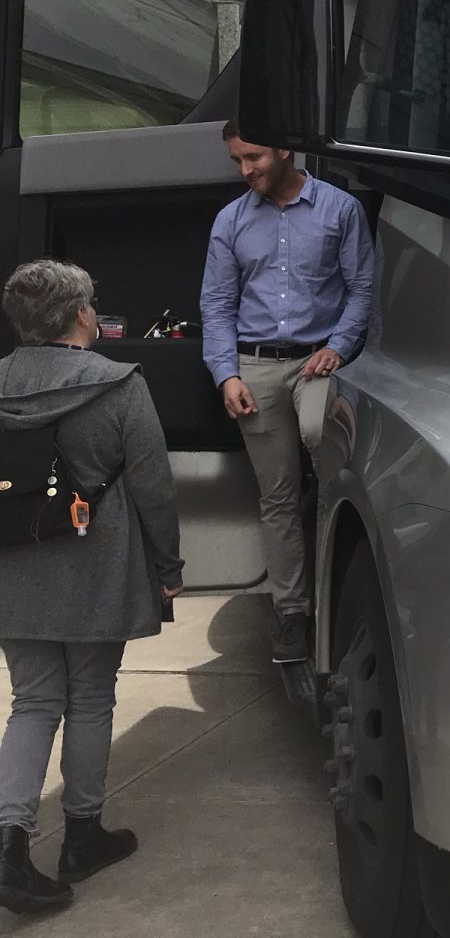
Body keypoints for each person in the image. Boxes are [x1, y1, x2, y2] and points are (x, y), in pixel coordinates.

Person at [0, 260, 182, 916]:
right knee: (92, 698)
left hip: (12, 566)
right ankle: (81, 837)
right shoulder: (120, 384)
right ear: (81, 315)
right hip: (98, 566)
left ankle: (9, 847)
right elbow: (154, 486)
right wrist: (168, 567)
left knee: (32, 701)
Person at [200, 120, 374, 663]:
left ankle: (337, 598)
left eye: (252, 157)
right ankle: (292, 613)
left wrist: (339, 346)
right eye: (237, 160)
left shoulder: (340, 209)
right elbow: (216, 304)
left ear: (283, 148)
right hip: (255, 365)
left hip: (317, 362)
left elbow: (362, 288)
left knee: (327, 460)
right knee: (276, 496)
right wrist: (226, 374)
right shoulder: (231, 220)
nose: (245, 169)